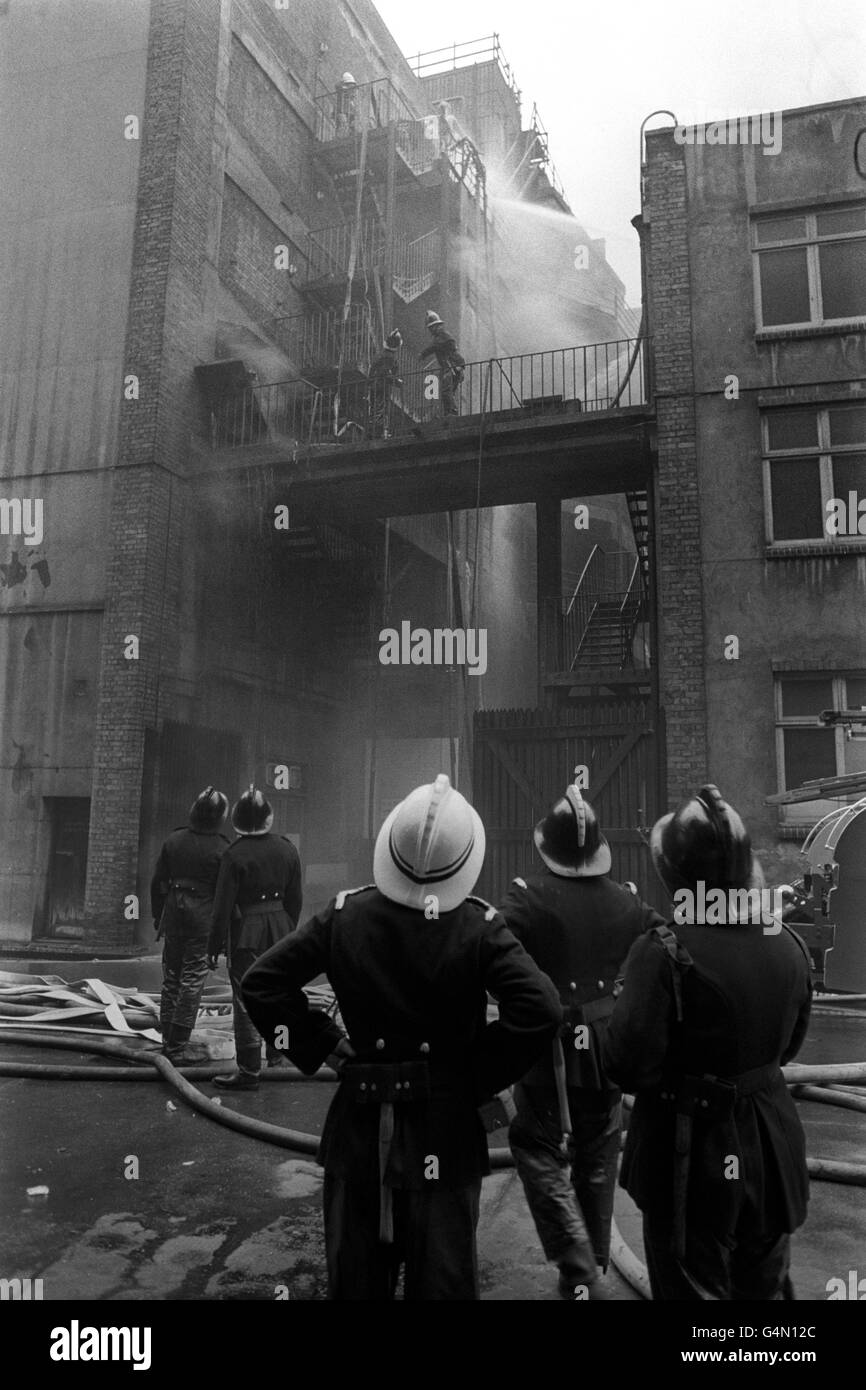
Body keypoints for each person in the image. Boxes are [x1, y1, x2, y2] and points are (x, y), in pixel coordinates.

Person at [241, 773, 561, 1300]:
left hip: (358, 1136)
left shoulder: (346, 915)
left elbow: (262, 983)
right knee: (444, 1287)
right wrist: (472, 1076)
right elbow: (541, 1008)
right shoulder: (479, 927)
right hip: (447, 1135)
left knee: (356, 1286)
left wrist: (326, 1047)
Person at [602, 784, 812, 1301]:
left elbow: (627, 1066)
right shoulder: (788, 943)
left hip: (688, 1160)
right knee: (763, 1294)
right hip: (770, 1145)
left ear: (675, 876)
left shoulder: (660, 952)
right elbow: (788, 1049)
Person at [499, 771, 665, 1299]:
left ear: (545, 845)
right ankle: (591, 1262)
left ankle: (575, 1258)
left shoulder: (527, 898)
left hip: (545, 1041)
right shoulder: (626, 899)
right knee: (599, 1147)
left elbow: (488, 948)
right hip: (605, 1041)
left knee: (534, 1141)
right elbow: (668, 944)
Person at [207, 786, 303, 1090]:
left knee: (246, 998)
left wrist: (214, 945)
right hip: (280, 927)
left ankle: (249, 1071)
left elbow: (222, 906)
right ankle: (277, 1058)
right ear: (267, 818)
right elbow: (295, 898)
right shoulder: (287, 848)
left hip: (246, 931)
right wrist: (288, 928)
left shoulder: (233, 855)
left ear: (237, 819)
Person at [151, 787, 231, 1065]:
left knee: (171, 977)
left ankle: (167, 1043)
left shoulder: (174, 840)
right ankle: (177, 1048)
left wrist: (156, 914)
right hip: (203, 915)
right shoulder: (224, 848)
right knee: (192, 980)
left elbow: (157, 882)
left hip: (173, 911)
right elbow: (225, 897)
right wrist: (223, 934)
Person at [419, 310, 464, 417]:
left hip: (452, 366)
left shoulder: (442, 336)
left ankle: (452, 412)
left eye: (431, 328)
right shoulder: (441, 336)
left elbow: (434, 346)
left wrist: (423, 354)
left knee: (446, 391)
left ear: (436, 326)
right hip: (453, 366)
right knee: (448, 391)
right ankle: (448, 413)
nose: (430, 331)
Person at [366, 329, 402, 437]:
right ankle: (379, 432)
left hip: (373, 386)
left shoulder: (380, 355)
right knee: (381, 409)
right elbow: (385, 373)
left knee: (374, 408)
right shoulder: (390, 357)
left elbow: (372, 370)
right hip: (382, 386)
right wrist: (397, 381)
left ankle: (373, 430)